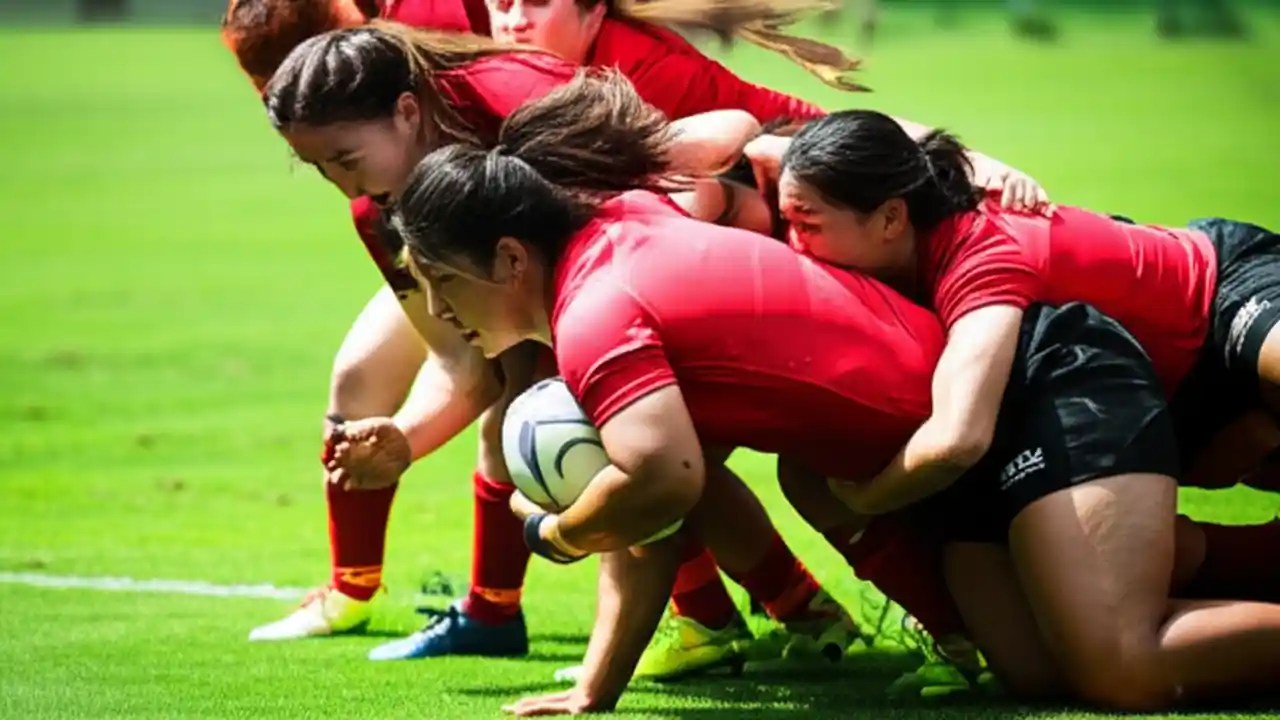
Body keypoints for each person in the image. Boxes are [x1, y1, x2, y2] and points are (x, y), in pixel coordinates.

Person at [341, 71, 1055, 714]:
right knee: (812, 477)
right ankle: (953, 636)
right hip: (968, 418)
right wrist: (595, 691)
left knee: (1088, 674)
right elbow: (649, 518)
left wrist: (555, 533)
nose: (435, 311)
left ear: (508, 257)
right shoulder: (616, 226)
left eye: (442, 281)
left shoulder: (596, 311)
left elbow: (661, 483)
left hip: (993, 447)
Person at [230, 12, 863, 670]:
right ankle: (781, 614)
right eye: (318, 168)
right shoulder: (380, 210)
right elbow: (461, 362)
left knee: (602, 435)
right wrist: (405, 441)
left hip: (765, 231)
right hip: (615, 289)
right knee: (562, 426)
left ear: (408, 112)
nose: (344, 185)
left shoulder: (514, 101)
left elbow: (710, 147)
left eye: (345, 158)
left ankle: (785, 613)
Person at [746, 109, 1280, 707]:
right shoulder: (885, 234)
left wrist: (863, 500)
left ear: (892, 217)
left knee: (1120, 662)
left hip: (1220, 289)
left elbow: (957, 439)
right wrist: (761, 144)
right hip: (1152, 388)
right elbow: (718, 131)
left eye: (806, 223)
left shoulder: (983, 255)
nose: (792, 242)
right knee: (1046, 667)